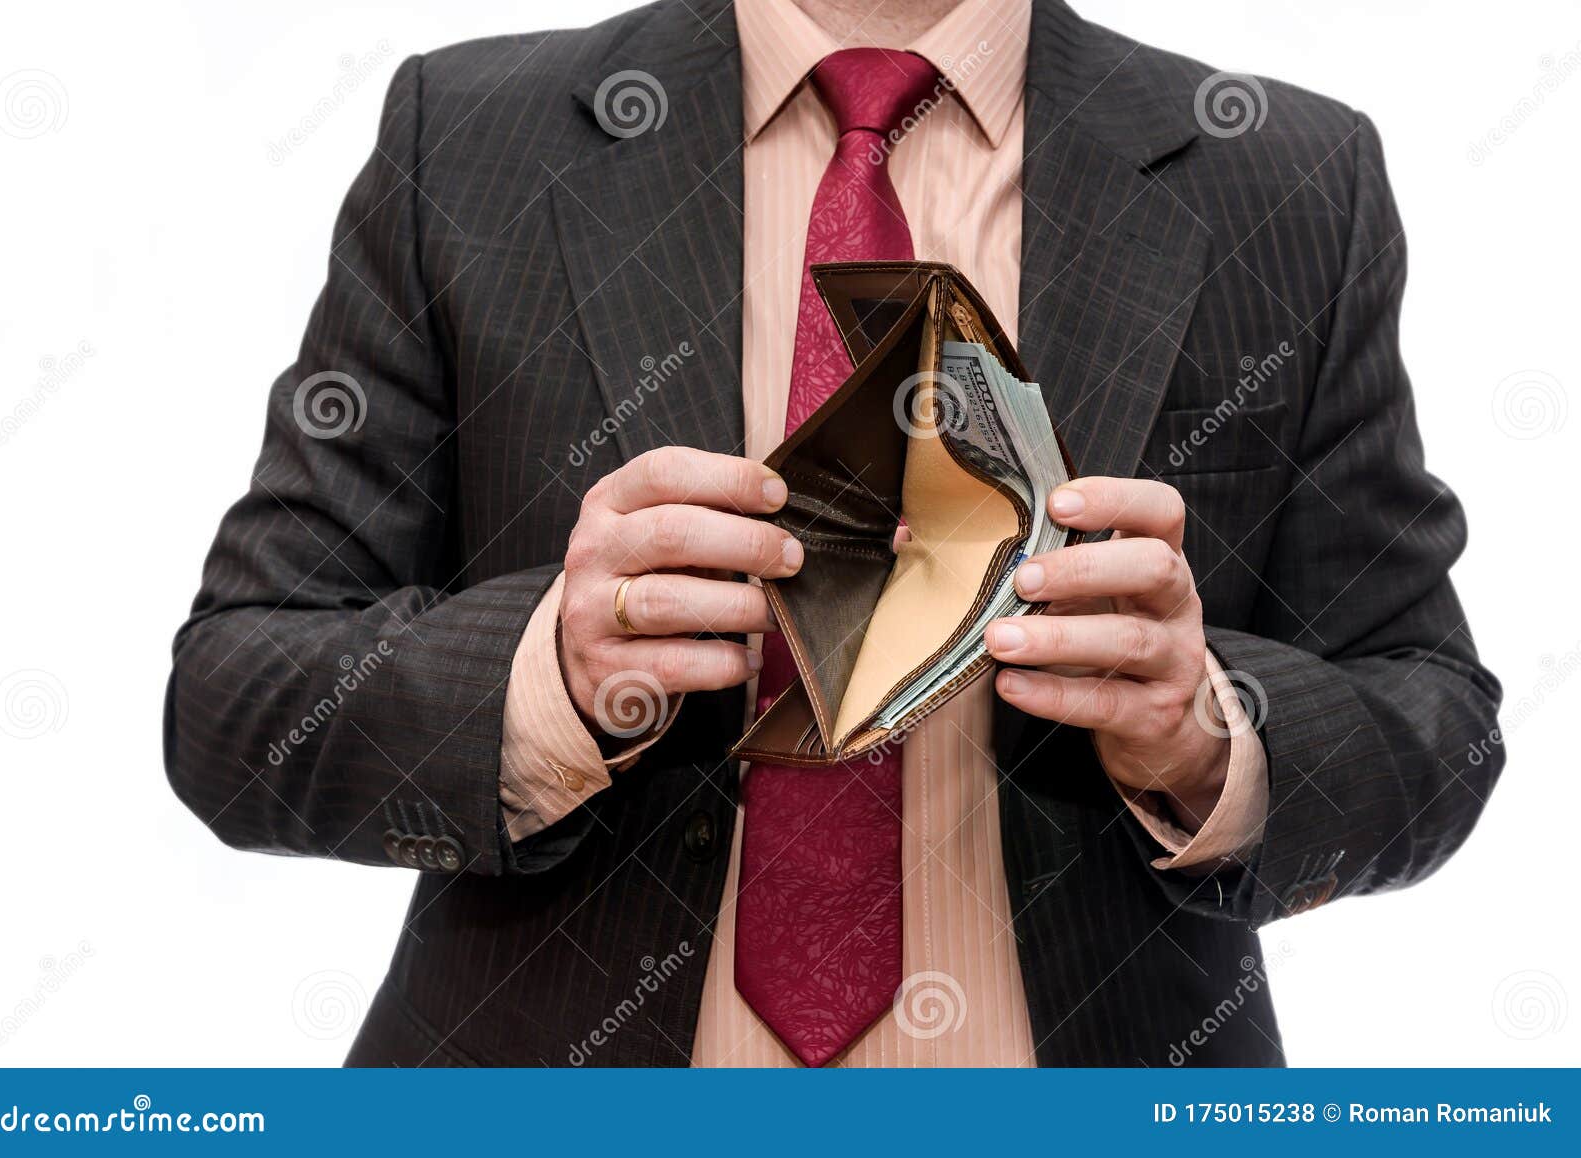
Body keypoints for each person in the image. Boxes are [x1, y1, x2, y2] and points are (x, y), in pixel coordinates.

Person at [165, 0, 1503, 1066]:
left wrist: (1211, 740)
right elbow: (234, 701)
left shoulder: (1287, 179)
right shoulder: (467, 141)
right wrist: (549, 673)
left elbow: (1434, 718)